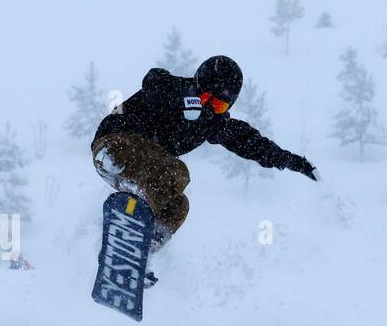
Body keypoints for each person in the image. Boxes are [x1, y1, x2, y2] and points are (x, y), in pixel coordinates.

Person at [91, 56, 318, 258]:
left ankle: (141, 251)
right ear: (198, 86)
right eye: (207, 97)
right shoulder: (177, 91)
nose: (209, 106)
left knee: (178, 206)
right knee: (177, 172)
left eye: (218, 105)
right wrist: (182, 99)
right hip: (115, 144)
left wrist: (291, 161)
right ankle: (135, 216)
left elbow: (250, 141)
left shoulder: (211, 122)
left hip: (141, 168)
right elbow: (154, 81)